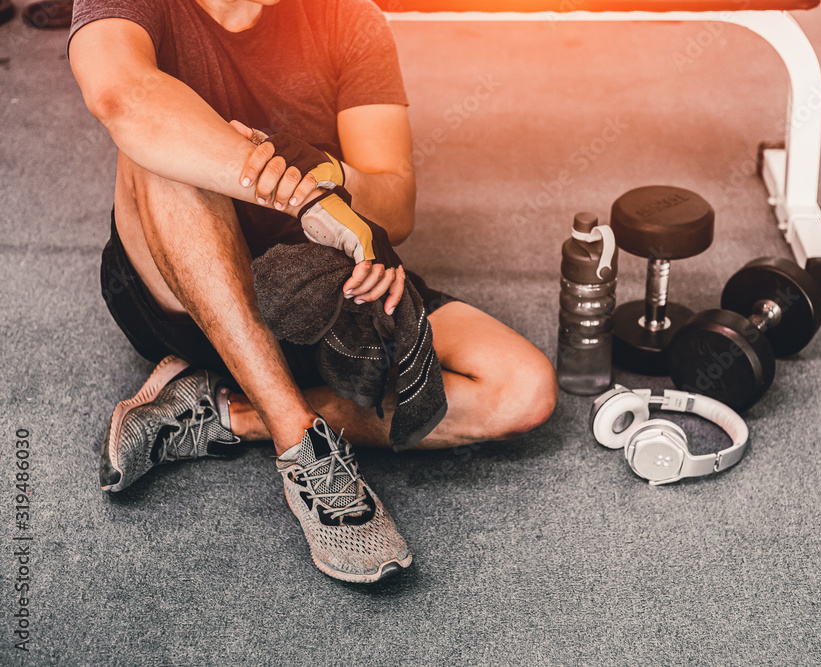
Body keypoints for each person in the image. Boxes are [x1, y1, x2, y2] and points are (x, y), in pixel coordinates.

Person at [69, 0, 558, 583]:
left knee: (522, 389)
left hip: (316, 293)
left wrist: (323, 174)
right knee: (154, 138)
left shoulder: (350, 19)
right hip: (176, 290)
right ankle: (298, 438)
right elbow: (120, 96)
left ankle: (225, 412)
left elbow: (396, 203)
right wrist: (291, 190)